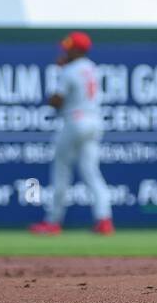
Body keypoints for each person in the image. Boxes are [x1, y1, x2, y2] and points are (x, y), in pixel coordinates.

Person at [29, 32, 113, 235]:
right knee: (92, 173)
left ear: (77, 50)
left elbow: (56, 100)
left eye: (69, 47)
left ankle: (53, 221)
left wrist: (61, 72)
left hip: (75, 121)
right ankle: (104, 220)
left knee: (61, 170)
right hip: (94, 121)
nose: (65, 49)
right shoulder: (91, 68)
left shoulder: (69, 70)